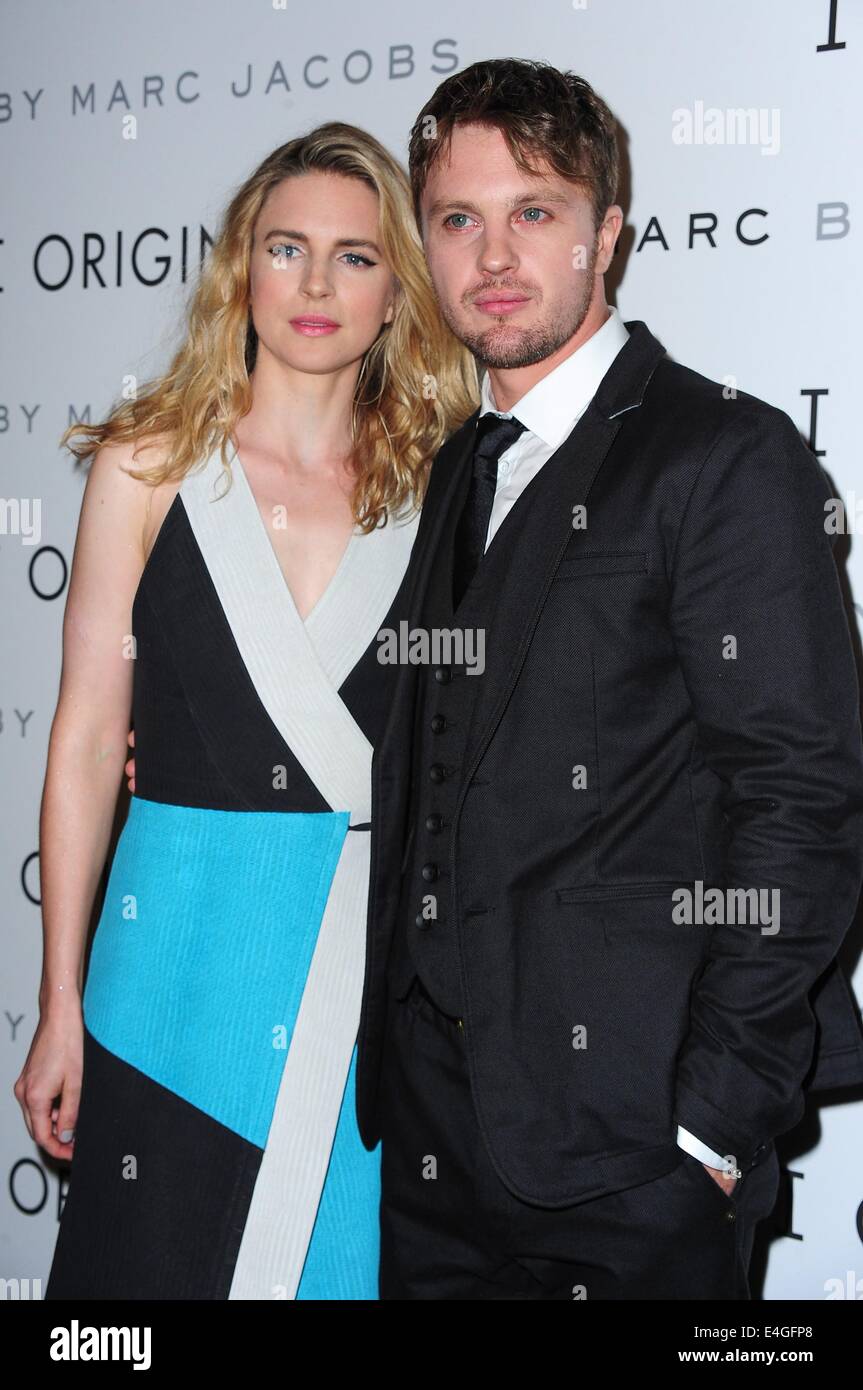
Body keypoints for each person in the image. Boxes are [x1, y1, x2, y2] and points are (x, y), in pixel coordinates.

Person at [350, 59, 863, 1299]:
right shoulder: (454, 472)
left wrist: (712, 1116)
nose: (493, 255)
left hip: (635, 1153)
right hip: (431, 1145)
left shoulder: (720, 455)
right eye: (457, 219)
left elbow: (799, 797)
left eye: (534, 212)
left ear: (608, 235)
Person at [14, 121, 477, 1300]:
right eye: (286, 247)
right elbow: (80, 741)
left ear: (395, 293)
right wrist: (57, 1000)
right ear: (242, 270)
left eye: (355, 256)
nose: (316, 284)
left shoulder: (446, 487)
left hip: (357, 980)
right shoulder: (148, 465)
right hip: (171, 957)